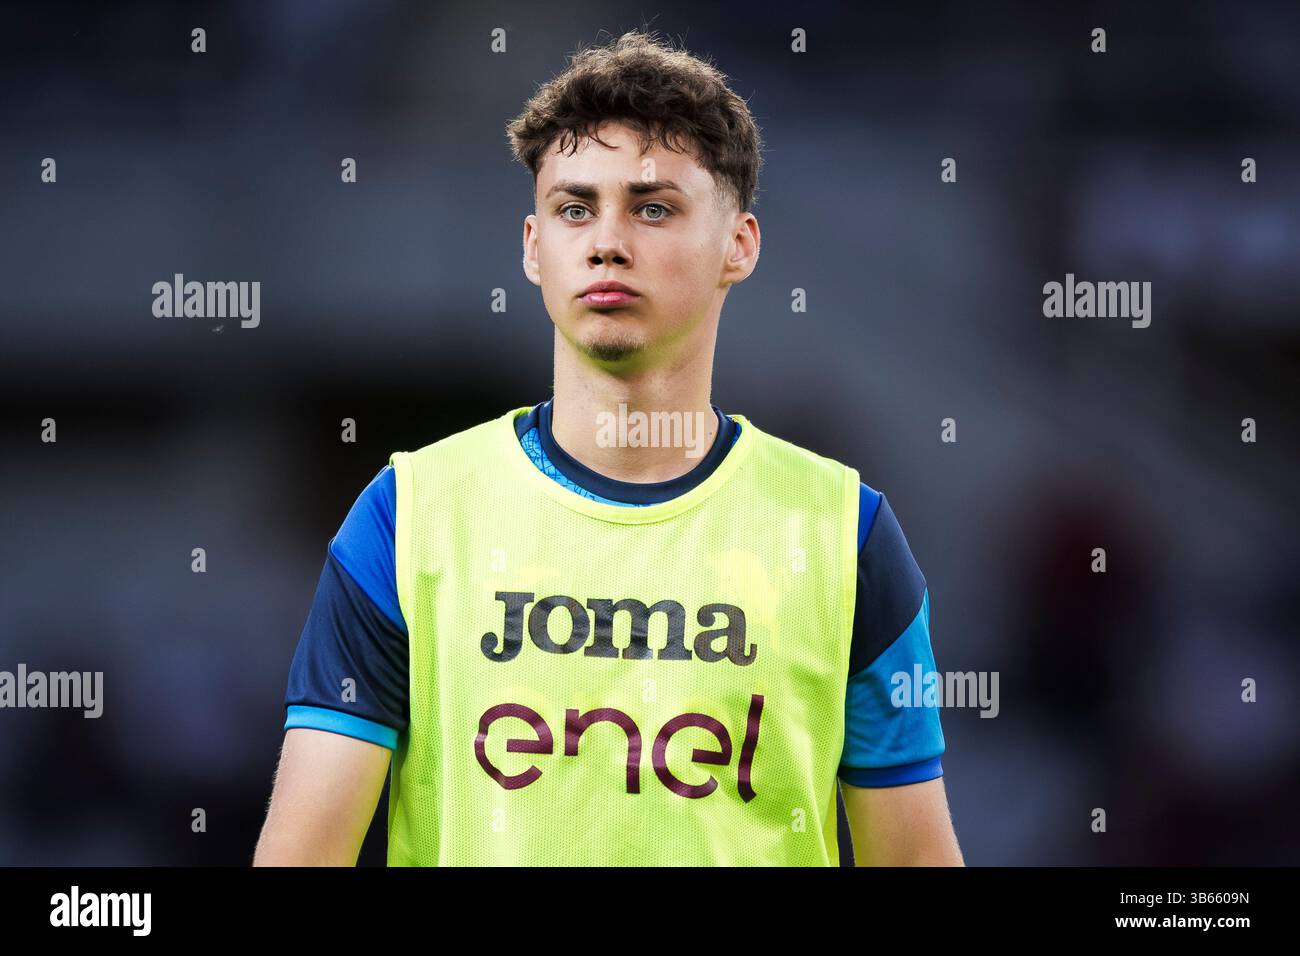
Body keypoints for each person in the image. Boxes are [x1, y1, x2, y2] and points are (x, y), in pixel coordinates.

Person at [254, 29, 962, 866]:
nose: (606, 241)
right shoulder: (408, 515)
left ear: (740, 245)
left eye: (654, 207)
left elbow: (913, 858)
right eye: (575, 208)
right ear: (532, 247)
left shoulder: (847, 534)